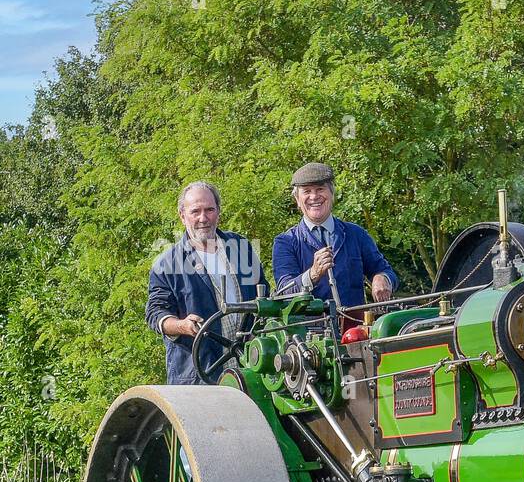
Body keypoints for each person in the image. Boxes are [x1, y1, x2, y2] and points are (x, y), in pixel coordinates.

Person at [146, 181, 269, 385]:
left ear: (218, 212)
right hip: (199, 375)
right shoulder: (168, 263)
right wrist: (181, 325)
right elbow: (155, 313)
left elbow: (263, 295)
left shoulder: (239, 247)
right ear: (182, 215)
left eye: (209, 210)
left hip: (248, 368)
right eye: (196, 211)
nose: (203, 218)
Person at [272, 162, 397, 320]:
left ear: (332, 193)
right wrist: (313, 274)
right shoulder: (286, 242)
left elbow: (387, 271)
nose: (314, 196)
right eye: (307, 191)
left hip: (355, 330)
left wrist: (383, 278)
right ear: (297, 199)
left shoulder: (356, 234)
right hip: (308, 336)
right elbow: (284, 292)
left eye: (320, 189)